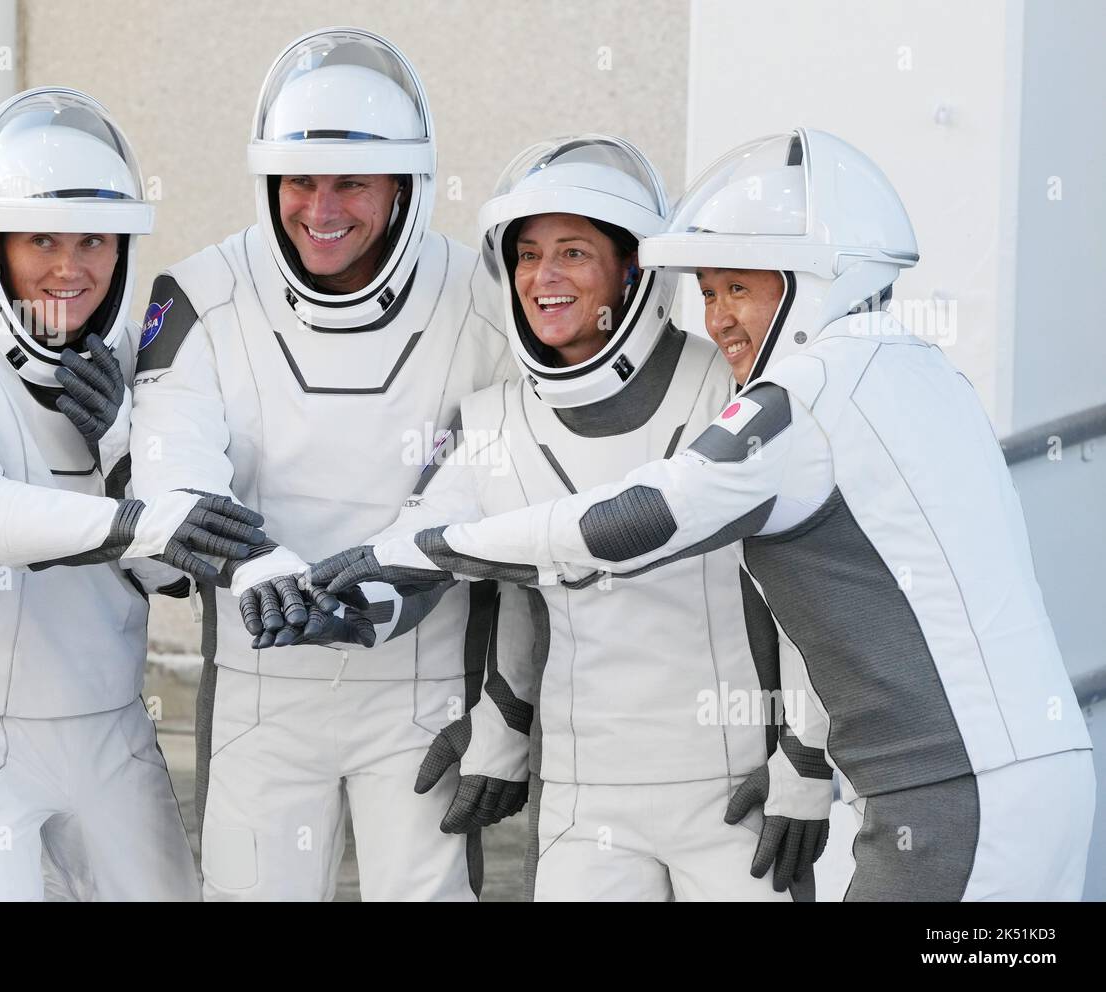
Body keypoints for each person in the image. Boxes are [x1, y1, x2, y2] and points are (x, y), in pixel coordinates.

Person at [310, 129, 1096, 901]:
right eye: (711, 292)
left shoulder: (800, 400)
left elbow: (636, 523)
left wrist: (440, 549)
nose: (718, 318)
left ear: (815, 279)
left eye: (742, 289)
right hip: (1047, 772)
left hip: (945, 795)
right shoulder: (927, 373)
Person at [289, 134, 831, 901]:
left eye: (574, 253)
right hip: (586, 799)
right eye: (527, 255)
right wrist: (330, 603)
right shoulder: (489, 421)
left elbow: (807, 585)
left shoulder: (733, 389)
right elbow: (429, 553)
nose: (543, 277)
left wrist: (809, 756)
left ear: (634, 269)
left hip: (735, 791)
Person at [128, 28, 512, 901]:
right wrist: (254, 563)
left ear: (406, 185)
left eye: (352, 183)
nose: (322, 208)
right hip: (265, 686)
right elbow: (171, 461)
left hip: (422, 684)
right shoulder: (199, 293)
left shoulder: (484, 296)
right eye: (301, 180)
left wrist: (385, 589)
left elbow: (495, 469)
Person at [0, 87, 263, 901]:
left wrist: (123, 447)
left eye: (94, 241)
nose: (69, 269)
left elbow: (174, 574)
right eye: (40, 239)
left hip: (105, 722)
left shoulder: (140, 358)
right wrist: (140, 518)